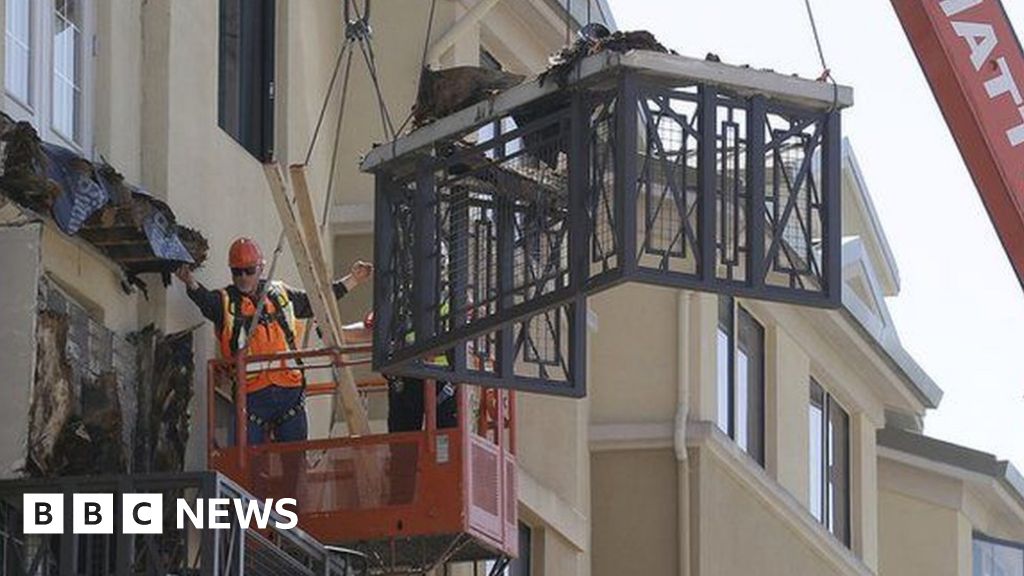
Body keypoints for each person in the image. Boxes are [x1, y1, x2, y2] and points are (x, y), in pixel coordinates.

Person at [176, 237, 372, 445]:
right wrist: (190, 282)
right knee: (244, 464)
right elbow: (206, 301)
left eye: (249, 270)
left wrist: (352, 280)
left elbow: (317, 301)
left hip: (289, 392)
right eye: (237, 272)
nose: (243, 277)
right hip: (251, 396)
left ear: (261, 269)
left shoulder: (280, 294)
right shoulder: (225, 301)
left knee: (294, 462)